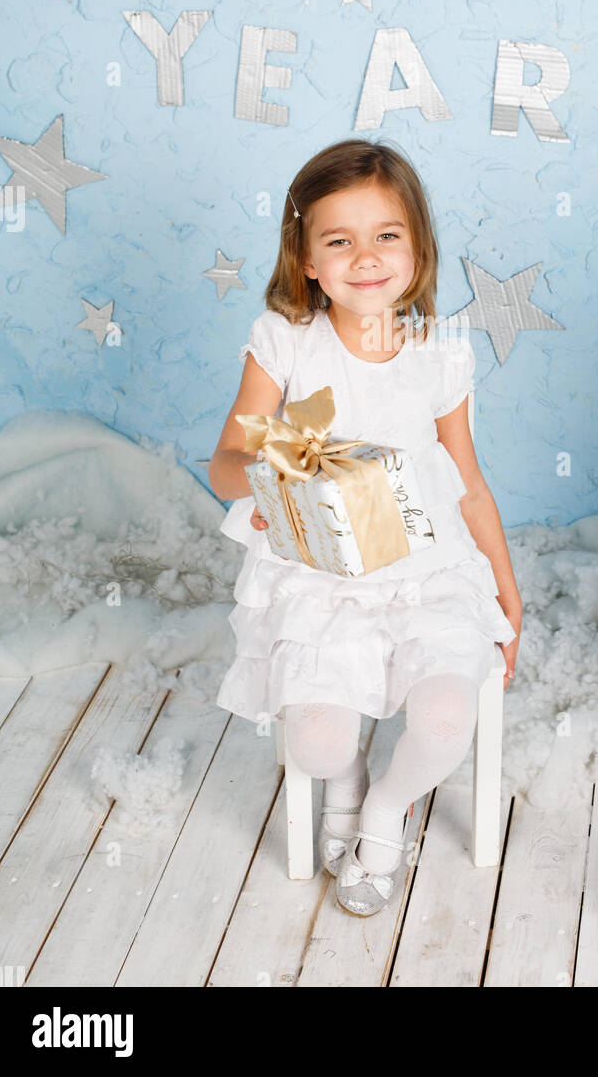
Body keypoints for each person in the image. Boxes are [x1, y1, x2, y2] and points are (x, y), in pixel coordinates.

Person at [209, 137, 523, 917]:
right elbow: (226, 459)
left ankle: (386, 808)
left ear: (417, 248)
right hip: (324, 576)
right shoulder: (287, 339)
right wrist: (270, 488)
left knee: (448, 716)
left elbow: (470, 488)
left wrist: (507, 599)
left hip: (427, 572)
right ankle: (344, 781)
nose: (367, 257)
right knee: (315, 744)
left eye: (387, 235)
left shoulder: (438, 355)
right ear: (308, 258)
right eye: (338, 240)